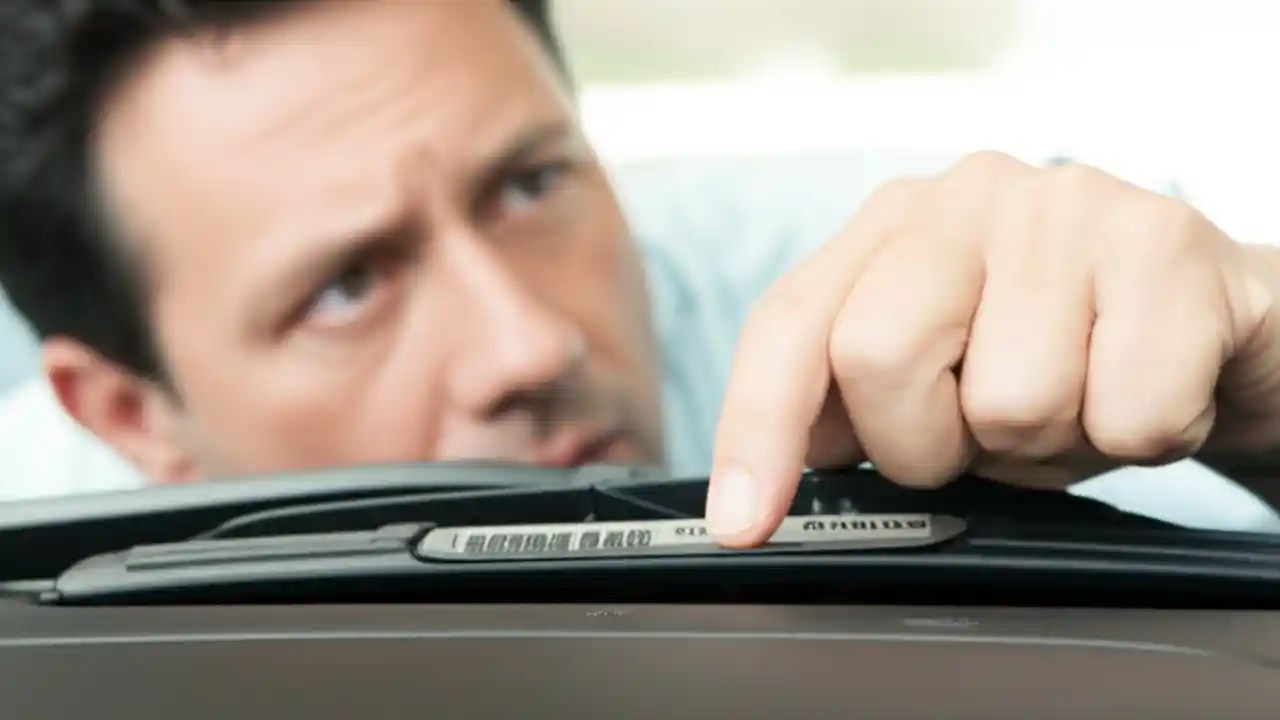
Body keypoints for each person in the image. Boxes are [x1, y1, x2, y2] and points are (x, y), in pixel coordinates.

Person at [0, 0, 1277, 547]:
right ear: (128, 415)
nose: (528, 346)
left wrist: (1263, 379)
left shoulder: (896, 289)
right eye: (347, 286)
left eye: (530, 183)